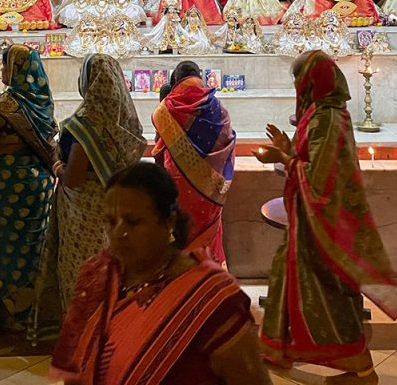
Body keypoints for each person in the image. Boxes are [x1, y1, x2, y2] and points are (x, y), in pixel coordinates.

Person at [254, 50, 397, 380]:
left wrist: (282, 156)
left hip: (324, 226)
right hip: (308, 221)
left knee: (329, 294)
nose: (297, 88)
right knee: (293, 281)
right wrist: (287, 147)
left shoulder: (327, 118)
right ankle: (282, 351)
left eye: (299, 81)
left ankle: (361, 370)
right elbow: (310, 159)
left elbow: (319, 179)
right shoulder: (319, 114)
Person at [50, 162, 271, 385]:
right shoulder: (98, 276)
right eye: (111, 221)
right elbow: (78, 368)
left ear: (169, 222)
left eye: (133, 222)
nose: (119, 232)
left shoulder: (212, 300)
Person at [34, 53, 146, 339]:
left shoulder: (85, 123)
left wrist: (56, 162)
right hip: (116, 207)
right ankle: (116, 324)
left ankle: (85, 333)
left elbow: (73, 176)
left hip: (84, 212)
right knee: (113, 268)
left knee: (82, 271)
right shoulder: (126, 121)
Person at [0, 44, 56, 331]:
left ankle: (10, 313)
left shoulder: (5, 105)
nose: (2, 71)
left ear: (16, 70)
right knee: (32, 249)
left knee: (7, 250)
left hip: (6, 188)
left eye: (5, 66)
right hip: (38, 185)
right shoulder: (43, 102)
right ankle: (33, 310)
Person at [152, 60, 236, 265]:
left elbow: (158, 152)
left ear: (175, 82)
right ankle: (212, 284)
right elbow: (229, 143)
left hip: (177, 184)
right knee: (208, 234)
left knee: (181, 234)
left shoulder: (166, 109)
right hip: (212, 189)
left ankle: (180, 288)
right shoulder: (219, 109)